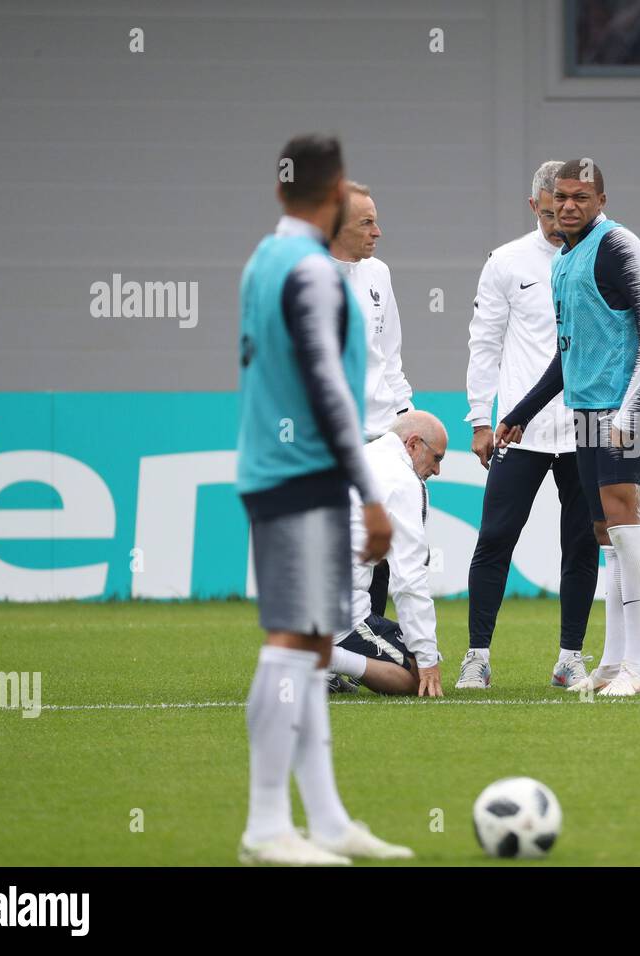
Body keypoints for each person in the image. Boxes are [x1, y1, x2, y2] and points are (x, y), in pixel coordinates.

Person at [235, 132, 412, 865]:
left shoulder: (263, 260)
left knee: (310, 646)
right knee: (292, 645)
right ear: (337, 190)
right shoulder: (312, 273)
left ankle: (328, 822)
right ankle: (266, 827)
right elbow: (327, 391)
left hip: (277, 468)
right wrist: (370, 494)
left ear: (280, 190)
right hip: (301, 476)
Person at [496, 159, 640, 698]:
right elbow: (566, 356)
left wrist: (629, 406)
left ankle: (638, 668)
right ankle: (615, 663)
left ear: (601, 200)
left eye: (581, 197)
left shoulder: (616, 245)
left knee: (624, 525)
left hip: (625, 409)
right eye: (561, 197)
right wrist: (521, 412)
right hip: (590, 412)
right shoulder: (564, 259)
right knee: (608, 537)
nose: (569, 205)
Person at [456, 160, 599, 691]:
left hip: (584, 428)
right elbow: (485, 342)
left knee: (581, 545)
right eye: (547, 210)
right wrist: (479, 418)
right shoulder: (505, 261)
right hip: (519, 431)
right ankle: (477, 657)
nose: (557, 218)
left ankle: (570, 657)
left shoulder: (601, 255)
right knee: (494, 538)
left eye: (565, 207)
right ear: (534, 204)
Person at [327, 182, 414, 620]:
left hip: (382, 435)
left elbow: (390, 354)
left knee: (381, 545)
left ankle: (368, 644)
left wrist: (405, 418)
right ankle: (326, 656)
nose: (377, 231)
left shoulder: (379, 273)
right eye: (366, 222)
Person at [327, 411, 447, 697]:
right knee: (414, 677)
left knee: (418, 652)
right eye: (437, 458)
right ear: (413, 444)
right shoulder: (403, 481)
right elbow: (410, 580)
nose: (437, 470)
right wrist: (427, 661)